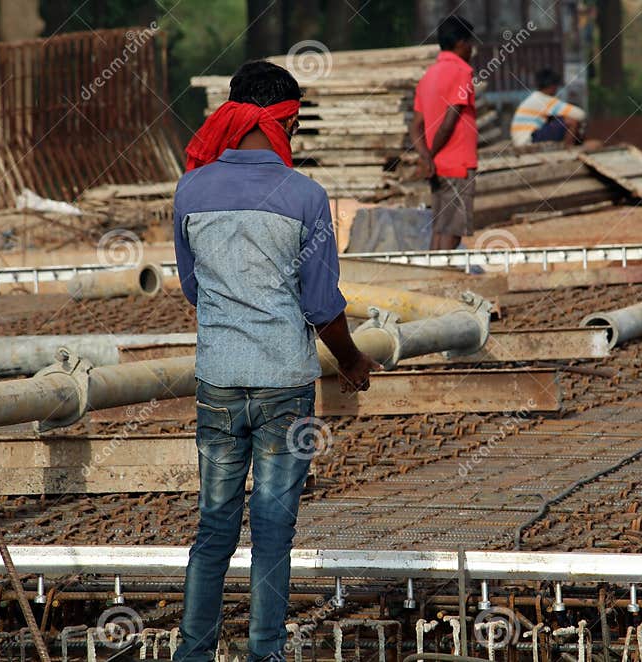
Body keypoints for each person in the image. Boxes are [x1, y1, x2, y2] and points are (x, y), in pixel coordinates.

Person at [172, 60, 380, 662]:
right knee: (272, 531)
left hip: (217, 378)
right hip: (284, 385)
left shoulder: (191, 189)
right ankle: (266, 653)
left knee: (213, 526)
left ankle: (193, 653)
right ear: (287, 120)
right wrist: (352, 361)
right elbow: (321, 305)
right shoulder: (307, 197)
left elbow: (192, 288)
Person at [409, 15, 478, 250]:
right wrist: (431, 153)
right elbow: (450, 120)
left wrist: (427, 156)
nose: (472, 49)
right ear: (460, 43)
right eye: (470, 42)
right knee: (453, 230)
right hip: (457, 163)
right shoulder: (462, 72)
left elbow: (415, 126)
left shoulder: (428, 76)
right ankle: (441, 279)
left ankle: (430, 278)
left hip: (437, 167)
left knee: (440, 228)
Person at [510, 68, 587, 147]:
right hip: (528, 139)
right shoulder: (544, 100)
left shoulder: (535, 98)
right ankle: (569, 149)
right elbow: (581, 115)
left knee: (560, 119)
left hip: (523, 139)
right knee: (571, 121)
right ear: (552, 86)